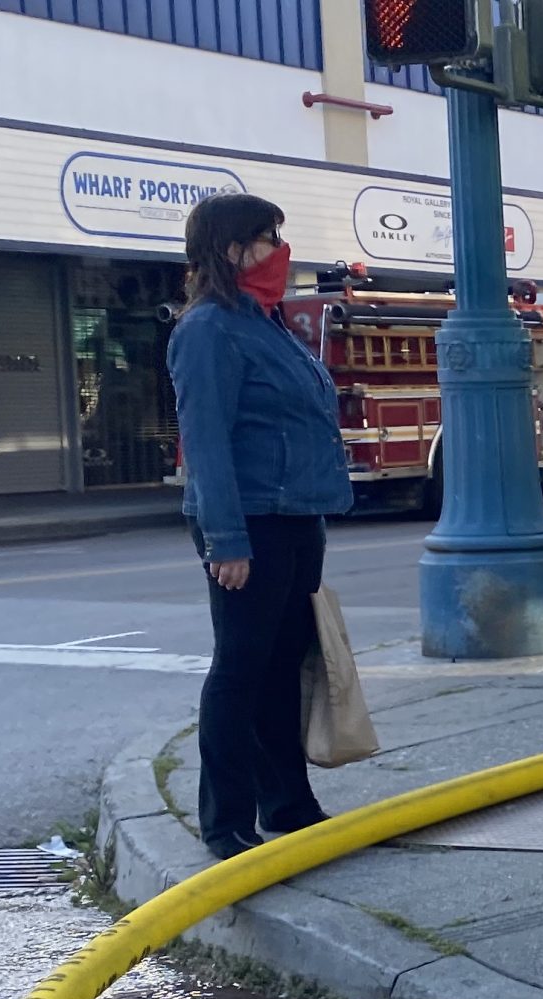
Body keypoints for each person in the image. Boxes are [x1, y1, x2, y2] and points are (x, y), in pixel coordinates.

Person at [169, 194, 353, 861]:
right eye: (267, 238)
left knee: (282, 667)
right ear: (230, 249)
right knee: (241, 669)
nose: (280, 250)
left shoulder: (264, 323)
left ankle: (288, 804)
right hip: (249, 523)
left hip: (295, 519)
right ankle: (226, 823)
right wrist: (226, 541)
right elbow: (206, 443)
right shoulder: (208, 329)